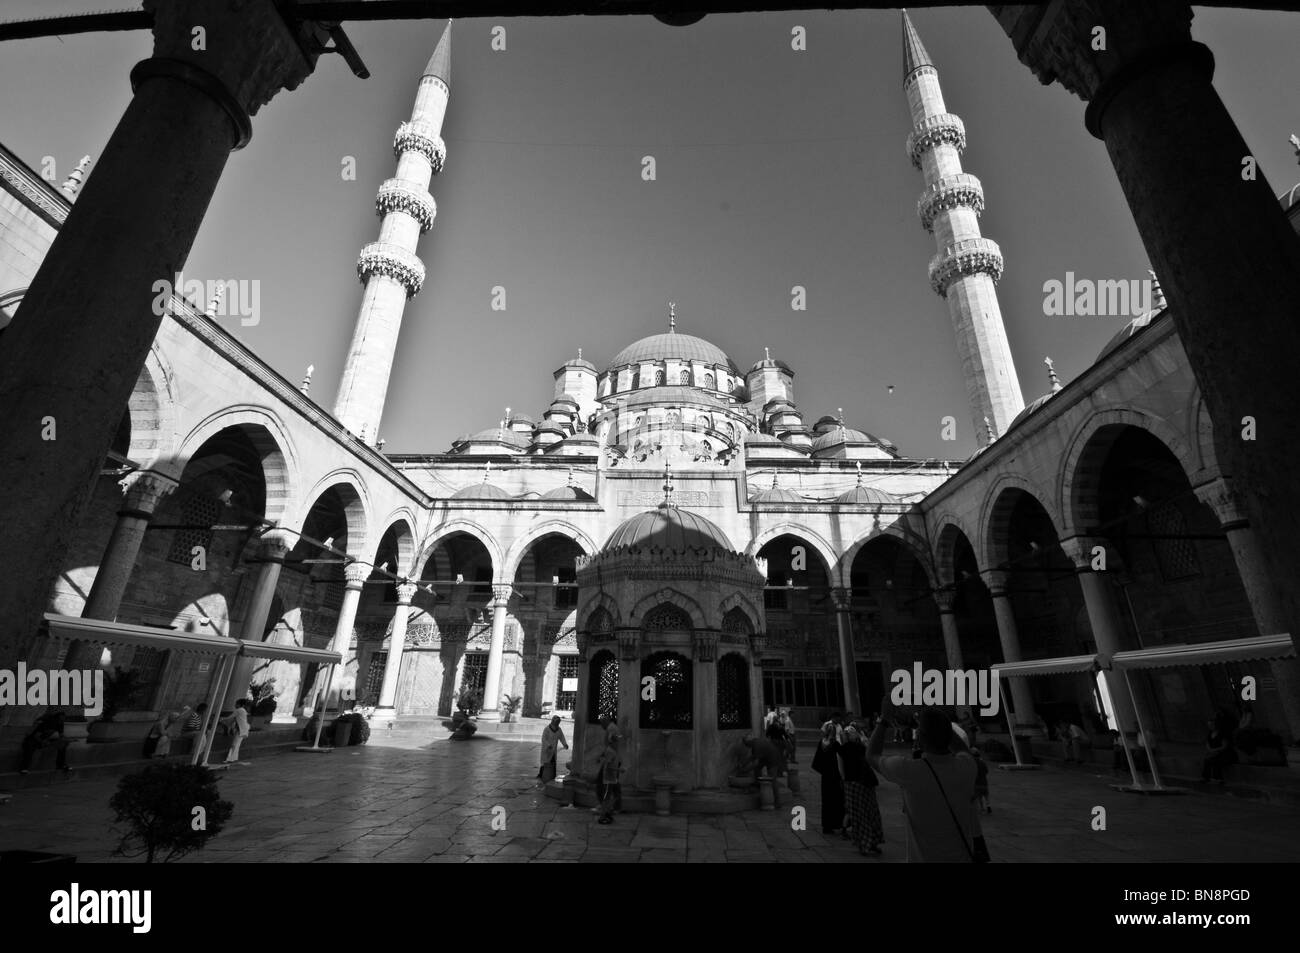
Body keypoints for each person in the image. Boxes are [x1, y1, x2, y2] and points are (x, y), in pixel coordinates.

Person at [869, 707, 983, 863]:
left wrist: (884, 719)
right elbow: (962, 748)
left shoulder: (908, 771)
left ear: (920, 738)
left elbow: (872, 755)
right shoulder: (967, 766)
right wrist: (938, 721)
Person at [840, 723, 884, 855]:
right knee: (871, 812)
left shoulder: (843, 749)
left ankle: (864, 843)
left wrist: (844, 782)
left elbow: (841, 769)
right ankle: (873, 842)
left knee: (858, 815)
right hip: (866, 782)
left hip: (852, 784)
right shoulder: (861, 747)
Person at [810, 721, 845, 835]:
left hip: (826, 776)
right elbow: (843, 756)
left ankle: (827, 826)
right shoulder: (835, 744)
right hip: (835, 775)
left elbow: (816, 762)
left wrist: (824, 770)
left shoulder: (822, 743)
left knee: (826, 801)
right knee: (836, 800)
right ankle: (836, 824)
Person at [742, 735, 786, 808]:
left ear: (748, 743)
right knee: (757, 769)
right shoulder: (755, 742)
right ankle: (758, 785)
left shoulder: (756, 746)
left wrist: (745, 770)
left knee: (772, 780)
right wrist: (743, 763)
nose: (747, 747)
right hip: (766, 757)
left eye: (746, 744)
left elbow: (755, 763)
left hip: (773, 759)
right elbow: (753, 757)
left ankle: (777, 802)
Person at [594, 715, 623, 823]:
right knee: (613, 788)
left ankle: (605, 811)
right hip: (611, 769)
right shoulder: (612, 729)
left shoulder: (611, 729)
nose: (601, 726)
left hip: (610, 770)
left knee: (604, 789)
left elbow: (609, 765)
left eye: (602, 723)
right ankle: (613, 808)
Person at [1201, 711, 1237, 783]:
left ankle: (1218, 778)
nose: (1210, 727)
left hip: (1226, 754)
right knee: (1207, 760)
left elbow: (1225, 746)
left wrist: (1215, 750)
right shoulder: (1210, 734)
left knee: (1216, 761)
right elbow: (1207, 744)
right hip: (1215, 753)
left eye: (1212, 725)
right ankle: (1206, 777)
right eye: (1209, 725)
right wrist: (1211, 750)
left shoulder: (1222, 733)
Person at [537, 715, 569, 784]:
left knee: (553, 761)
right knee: (545, 762)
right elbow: (544, 739)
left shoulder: (559, 730)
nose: (557, 724)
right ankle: (541, 774)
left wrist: (565, 744)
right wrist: (548, 745)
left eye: (558, 723)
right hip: (546, 749)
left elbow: (562, 737)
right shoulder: (547, 729)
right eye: (556, 722)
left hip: (553, 749)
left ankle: (552, 775)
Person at [221, 699, 250, 763]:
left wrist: (222, 719)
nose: (235, 705)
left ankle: (229, 759)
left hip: (241, 730)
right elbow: (233, 719)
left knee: (234, 744)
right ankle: (233, 758)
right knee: (236, 744)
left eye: (237, 704)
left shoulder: (239, 710)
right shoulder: (242, 710)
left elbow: (230, 717)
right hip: (242, 730)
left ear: (240, 705)